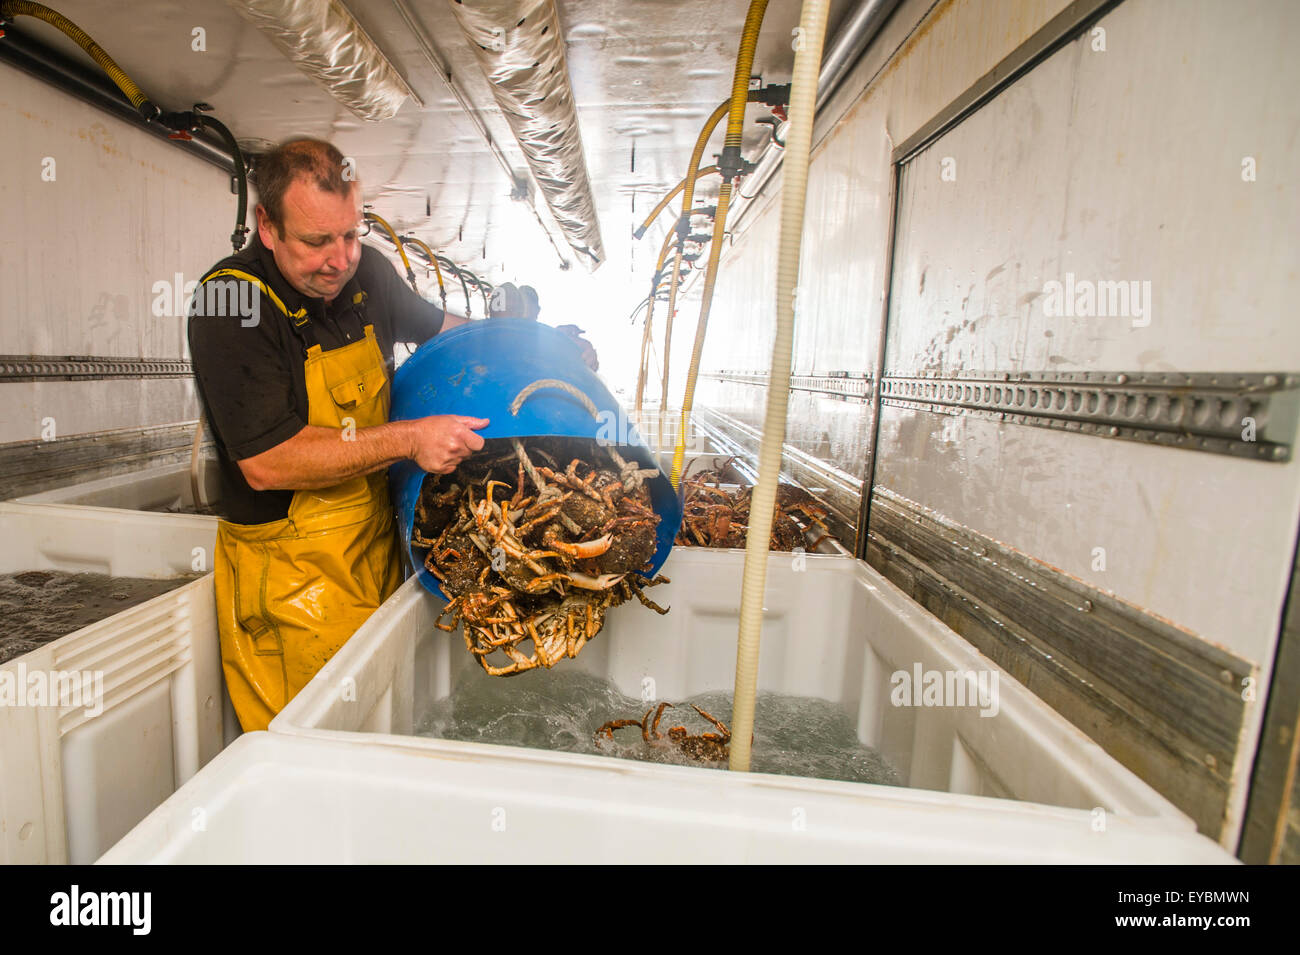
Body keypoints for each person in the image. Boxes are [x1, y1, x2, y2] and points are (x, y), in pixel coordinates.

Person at [187, 138, 593, 730]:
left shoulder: (366, 274)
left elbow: (451, 333)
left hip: (373, 550)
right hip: (291, 582)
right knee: (313, 752)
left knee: (377, 734)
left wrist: (545, 347)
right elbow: (268, 461)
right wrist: (409, 439)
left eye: (351, 234)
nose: (339, 258)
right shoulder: (231, 306)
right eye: (316, 241)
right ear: (266, 226)